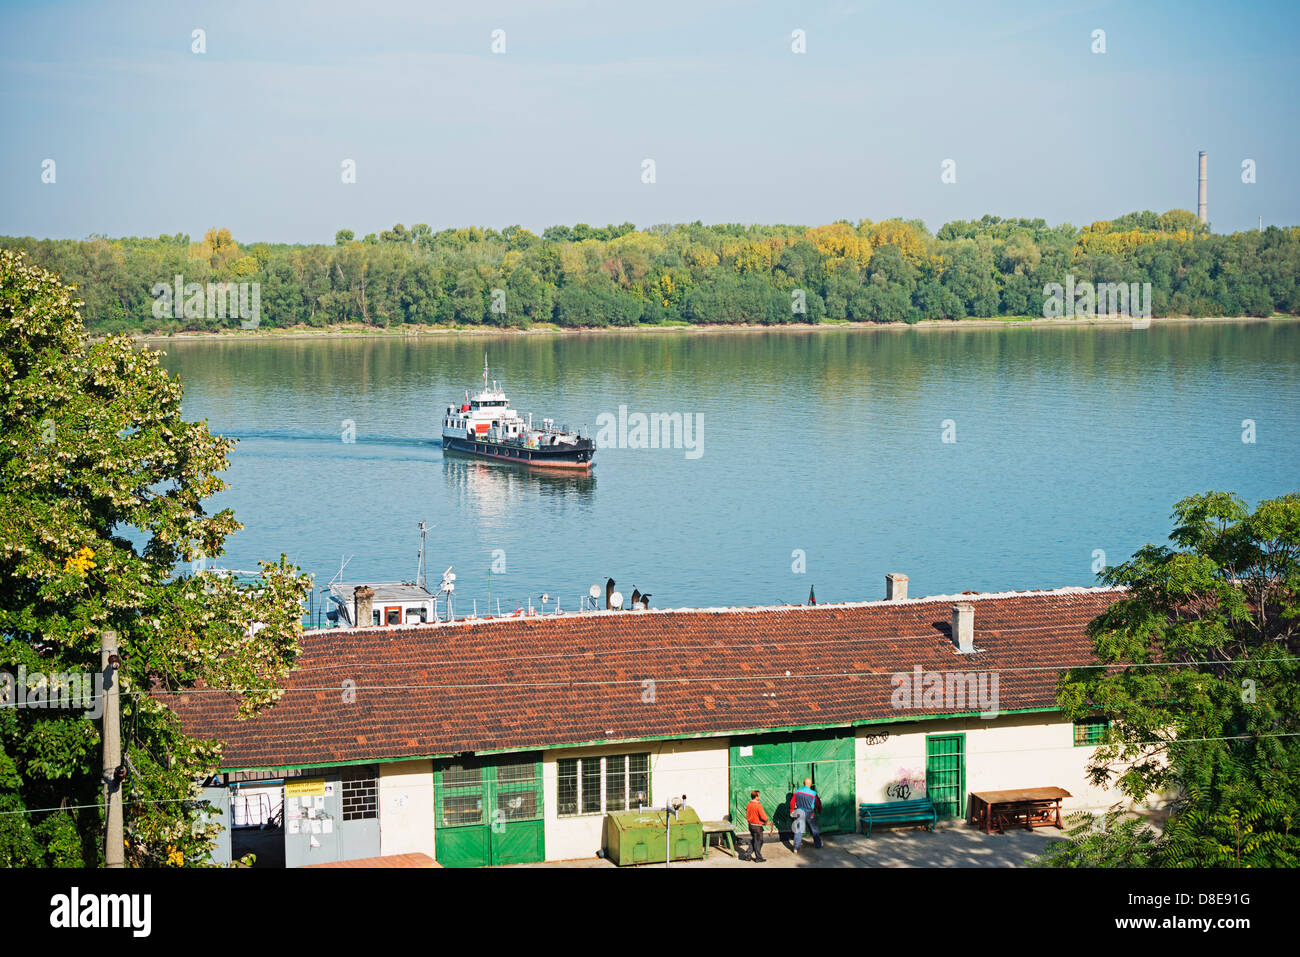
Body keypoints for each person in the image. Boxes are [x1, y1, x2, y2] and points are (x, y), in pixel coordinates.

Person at [789, 777, 823, 852]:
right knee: (814, 829)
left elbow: (792, 802)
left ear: (804, 783)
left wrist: (791, 811)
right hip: (810, 813)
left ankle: (795, 848)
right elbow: (817, 804)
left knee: (798, 830)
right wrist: (820, 810)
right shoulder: (813, 793)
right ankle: (818, 844)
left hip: (799, 812)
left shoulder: (797, 791)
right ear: (810, 785)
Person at [745, 789, 774, 862]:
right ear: (757, 796)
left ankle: (748, 854)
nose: (760, 796)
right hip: (757, 827)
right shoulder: (758, 805)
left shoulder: (749, 804)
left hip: (751, 825)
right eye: (759, 795)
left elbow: (748, 815)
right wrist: (766, 821)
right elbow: (763, 816)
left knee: (754, 840)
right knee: (759, 841)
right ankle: (758, 858)